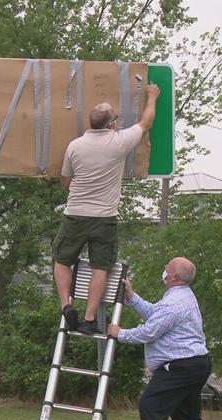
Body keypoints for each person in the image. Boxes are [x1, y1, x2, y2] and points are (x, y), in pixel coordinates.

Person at [53, 84, 161, 335]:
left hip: (75, 213)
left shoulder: (74, 146)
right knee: (100, 267)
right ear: (112, 124)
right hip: (104, 218)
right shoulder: (119, 141)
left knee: (61, 260)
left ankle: (66, 305)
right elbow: (146, 123)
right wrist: (152, 97)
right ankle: (90, 319)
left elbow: (66, 182)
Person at [108, 257, 215, 420]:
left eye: (168, 267)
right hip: (196, 364)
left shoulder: (174, 303)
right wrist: (131, 296)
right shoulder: (180, 296)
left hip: (180, 367)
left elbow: (150, 331)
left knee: (151, 407)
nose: (164, 269)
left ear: (174, 276)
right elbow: (155, 315)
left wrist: (120, 333)